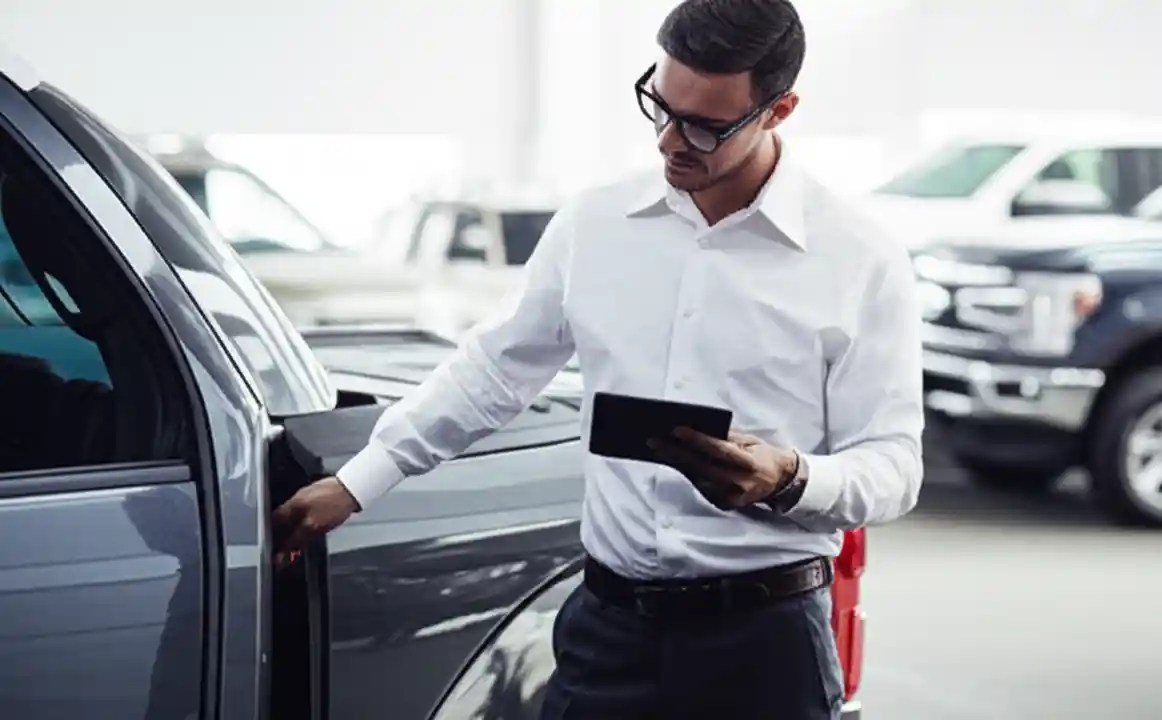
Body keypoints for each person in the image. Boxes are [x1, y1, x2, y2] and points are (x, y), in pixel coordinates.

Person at [272, 1, 924, 717]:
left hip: (765, 648)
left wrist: (789, 476)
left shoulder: (859, 257)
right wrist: (363, 479)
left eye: (706, 127)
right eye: (660, 106)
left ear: (779, 110)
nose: (671, 141)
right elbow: (495, 369)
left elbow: (893, 464)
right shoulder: (596, 225)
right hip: (607, 634)